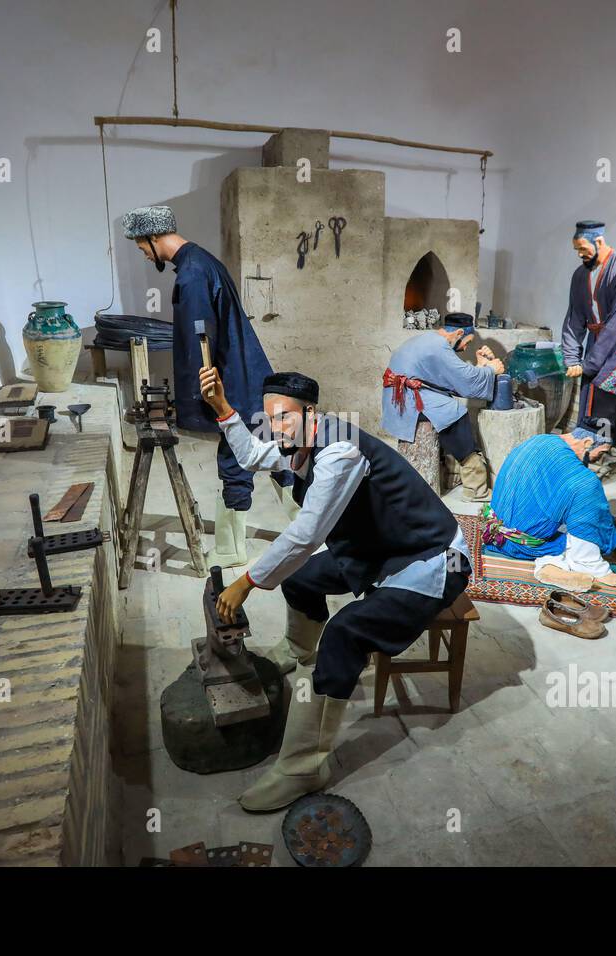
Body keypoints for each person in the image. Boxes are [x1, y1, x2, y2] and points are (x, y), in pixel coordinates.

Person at [199, 364, 471, 812]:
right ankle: (302, 654)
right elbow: (250, 455)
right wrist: (223, 408)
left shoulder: (339, 451)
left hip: (434, 559)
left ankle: (305, 767)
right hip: (381, 548)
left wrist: (246, 582)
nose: (277, 428)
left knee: (345, 634)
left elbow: (306, 534)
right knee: (302, 579)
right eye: (270, 418)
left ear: (312, 413)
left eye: (284, 417)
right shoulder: (297, 438)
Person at [122, 205, 296, 570]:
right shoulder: (201, 261)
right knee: (272, 449)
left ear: (154, 237)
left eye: (140, 244)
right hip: (249, 374)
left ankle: (234, 549)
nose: (139, 251)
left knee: (235, 457)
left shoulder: (191, 276)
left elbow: (200, 342)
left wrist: (207, 400)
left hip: (232, 381)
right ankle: (307, 525)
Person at [482, 429, 616, 592]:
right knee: (586, 516)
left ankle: (555, 564)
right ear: (587, 443)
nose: (597, 459)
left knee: (572, 506)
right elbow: (586, 523)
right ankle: (563, 565)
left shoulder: (539, 440)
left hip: (494, 533)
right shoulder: (581, 478)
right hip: (520, 543)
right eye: (600, 453)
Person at [382, 312, 504, 500]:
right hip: (408, 401)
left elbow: (452, 378)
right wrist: (491, 369)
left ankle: (452, 476)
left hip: (403, 397)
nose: (465, 348)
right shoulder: (439, 346)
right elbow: (465, 380)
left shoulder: (430, 339)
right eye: (467, 342)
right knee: (455, 414)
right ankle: (476, 489)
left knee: (448, 408)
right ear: (459, 333)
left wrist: (479, 367)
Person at [561, 220, 616, 474]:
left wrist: (588, 364)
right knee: (589, 395)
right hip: (596, 343)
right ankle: (586, 451)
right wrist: (571, 359)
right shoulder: (580, 275)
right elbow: (574, 318)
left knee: (606, 397)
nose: (580, 255)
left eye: (583, 248)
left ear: (599, 242)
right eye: (576, 250)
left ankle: (606, 455)